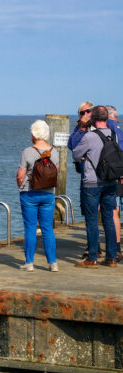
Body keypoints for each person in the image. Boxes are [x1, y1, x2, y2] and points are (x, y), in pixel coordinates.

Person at [72, 106, 119, 267]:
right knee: (108, 219)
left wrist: (85, 156)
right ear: (106, 118)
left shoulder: (90, 136)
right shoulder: (113, 135)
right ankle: (111, 257)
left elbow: (76, 154)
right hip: (110, 181)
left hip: (92, 183)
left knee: (92, 220)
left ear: (93, 119)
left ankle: (92, 257)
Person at [16, 120, 59, 272]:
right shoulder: (54, 151)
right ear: (46, 134)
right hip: (48, 194)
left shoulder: (28, 151)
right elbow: (55, 172)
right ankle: (53, 263)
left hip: (29, 194)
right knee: (47, 228)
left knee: (30, 227)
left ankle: (29, 263)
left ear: (33, 134)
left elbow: (20, 175)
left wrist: (20, 186)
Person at [68, 101, 94, 258]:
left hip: (100, 177)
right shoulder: (80, 130)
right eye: (81, 113)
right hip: (86, 177)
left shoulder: (100, 127)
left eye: (87, 111)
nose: (85, 115)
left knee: (107, 214)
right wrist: (81, 128)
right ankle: (93, 246)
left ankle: (112, 250)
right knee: (89, 213)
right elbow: (72, 145)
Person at [105, 105, 123, 260]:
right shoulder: (119, 129)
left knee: (113, 211)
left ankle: (115, 248)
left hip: (115, 176)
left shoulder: (111, 126)